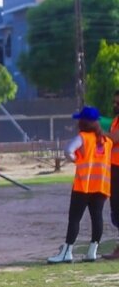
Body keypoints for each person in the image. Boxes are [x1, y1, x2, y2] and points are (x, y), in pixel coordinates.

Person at [47, 106, 113, 263]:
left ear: (83, 122)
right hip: (101, 186)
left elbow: (68, 150)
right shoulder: (107, 141)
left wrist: (75, 159)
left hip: (84, 185)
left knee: (75, 218)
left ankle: (67, 252)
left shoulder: (82, 137)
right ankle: (92, 251)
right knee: (97, 217)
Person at [105, 91, 119, 259]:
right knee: (115, 208)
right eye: (114, 102)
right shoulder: (115, 121)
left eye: (118, 103)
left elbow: (115, 138)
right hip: (114, 167)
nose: (115, 106)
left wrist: (98, 133)